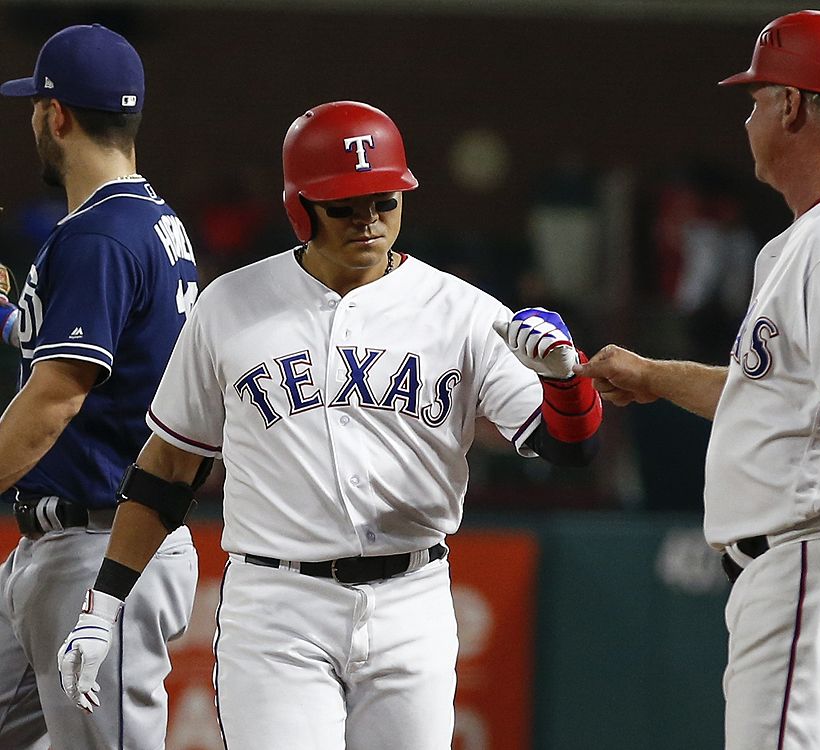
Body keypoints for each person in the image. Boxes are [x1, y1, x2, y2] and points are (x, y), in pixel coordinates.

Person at [56, 100, 602, 749]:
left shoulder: (461, 311)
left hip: (413, 602)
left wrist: (567, 383)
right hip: (277, 609)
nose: (370, 219)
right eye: (346, 204)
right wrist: (104, 603)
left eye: (384, 199)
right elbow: (168, 468)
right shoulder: (231, 304)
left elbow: (571, 448)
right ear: (302, 207)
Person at [577, 10, 820, 750]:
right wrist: (653, 375)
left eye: (756, 100)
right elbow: (790, 403)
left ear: (794, 105)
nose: (749, 119)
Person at [0, 24, 200, 750]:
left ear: (56, 115)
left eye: (34, 107)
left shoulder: (99, 236)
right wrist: (15, 317)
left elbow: (55, 402)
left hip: (100, 547)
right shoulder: (149, 221)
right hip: (65, 541)